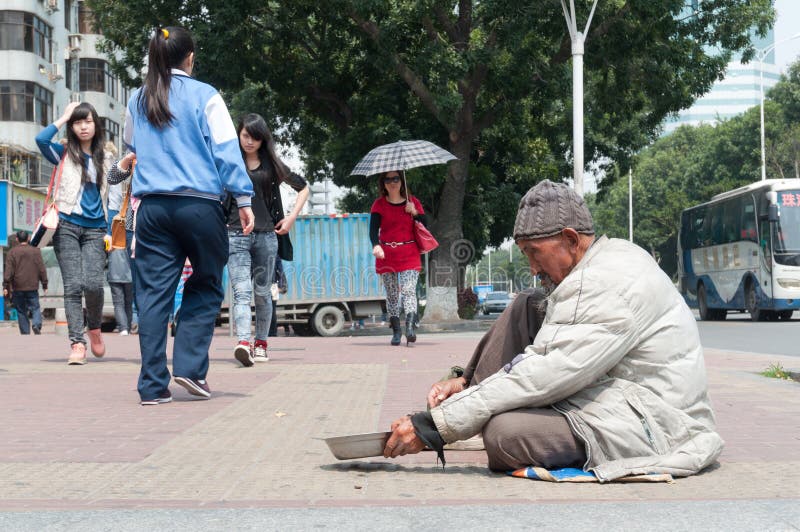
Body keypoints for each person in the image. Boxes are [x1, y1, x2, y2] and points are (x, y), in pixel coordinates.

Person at [383, 180, 724, 481]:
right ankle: (469, 396)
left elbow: (542, 372)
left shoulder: (606, 284)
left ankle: (468, 416)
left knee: (504, 435)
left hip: (657, 422)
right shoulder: (599, 262)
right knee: (528, 304)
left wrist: (436, 425)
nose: (532, 267)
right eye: (524, 254)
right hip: (613, 392)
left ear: (571, 240)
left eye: (535, 253)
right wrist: (465, 388)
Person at [122, 26, 255, 405]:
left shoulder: (137, 98)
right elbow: (227, 151)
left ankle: (151, 387)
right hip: (199, 206)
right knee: (208, 281)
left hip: (152, 210)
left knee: (152, 296)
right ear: (190, 57)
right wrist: (244, 199)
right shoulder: (206, 95)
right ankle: (191, 370)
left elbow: (131, 147)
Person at [224, 113, 308, 367]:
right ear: (238, 135)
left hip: (266, 236)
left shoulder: (272, 165)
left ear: (263, 140)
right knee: (241, 291)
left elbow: (303, 187)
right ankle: (243, 343)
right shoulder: (228, 162)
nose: (250, 141)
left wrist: (291, 218)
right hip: (235, 234)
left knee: (262, 293)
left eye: (256, 137)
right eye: (246, 135)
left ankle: (261, 343)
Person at [35, 101, 114, 365]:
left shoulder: (106, 157)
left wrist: (112, 228)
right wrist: (64, 116)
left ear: (96, 124)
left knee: (92, 283)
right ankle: (77, 343)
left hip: (95, 228)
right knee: (72, 286)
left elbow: (115, 193)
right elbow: (40, 139)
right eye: (78, 122)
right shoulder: (63, 152)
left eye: (88, 121)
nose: (83, 126)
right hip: (66, 225)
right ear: (72, 126)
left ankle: (94, 328)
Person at [370, 171, 427, 346]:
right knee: (393, 294)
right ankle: (396, 331)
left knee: (409, 290)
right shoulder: (379, 205)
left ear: (401, 181)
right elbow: (373, 231)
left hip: (410, 253)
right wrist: (376, 245)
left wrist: (415, 212)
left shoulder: (412, 201)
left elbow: (426, 226)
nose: (392, 182)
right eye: (388, 179)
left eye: (396, 178)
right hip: (387, 254)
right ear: (383, 184)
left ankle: (410, 328)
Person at [3, 230, 48, 335]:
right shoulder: (36, 251)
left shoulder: (12, 252)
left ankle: (25, 333)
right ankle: (36, 325)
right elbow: (41, 269)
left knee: (21, 311)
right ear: (28, 239)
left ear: (17, 239)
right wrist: (44, 284)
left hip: (18, 287)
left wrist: (5, 286)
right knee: (35, 308)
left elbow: (8, 271)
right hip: (32, 286)